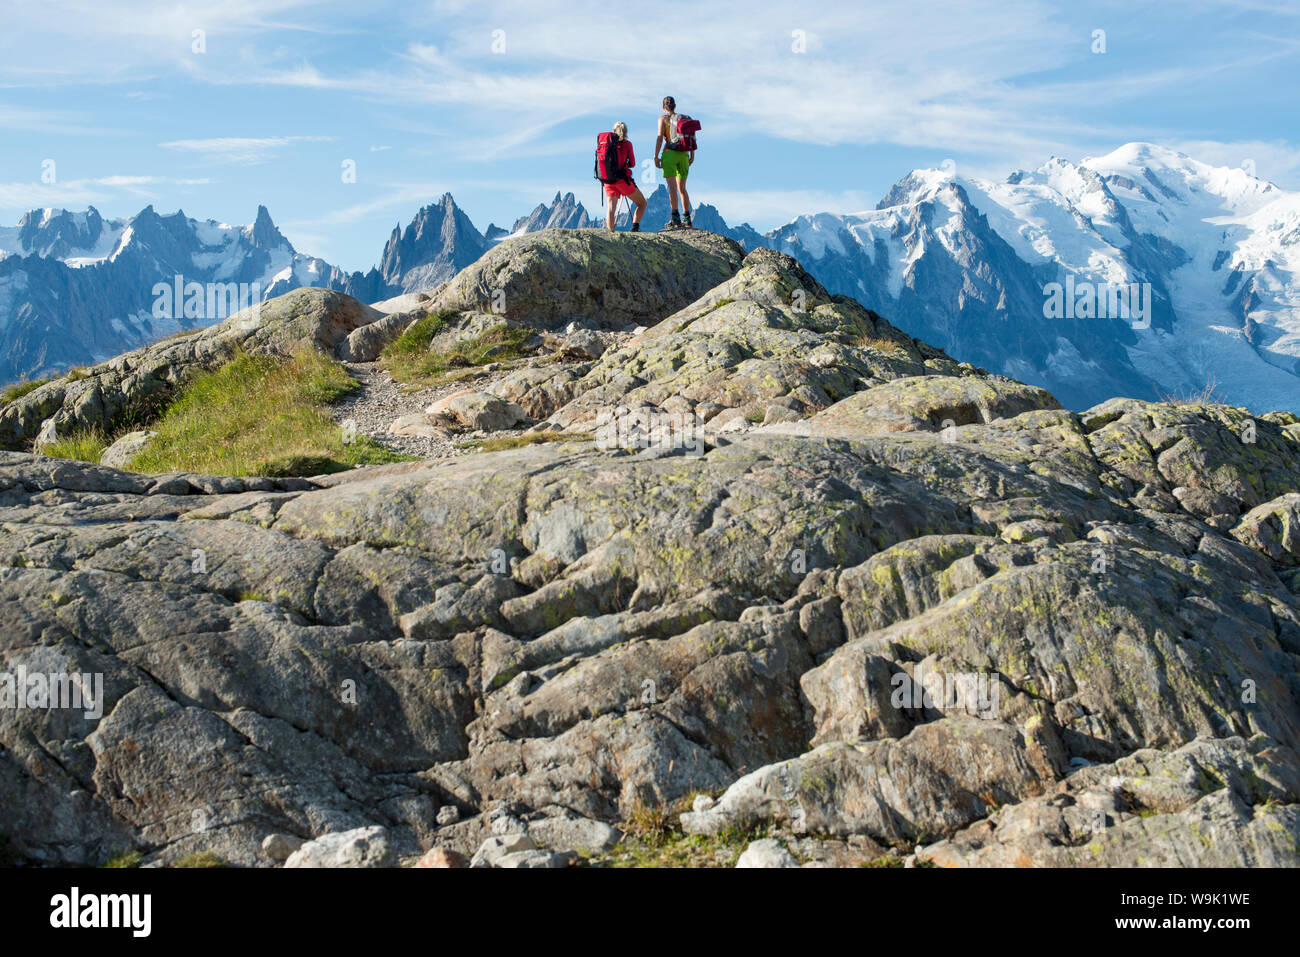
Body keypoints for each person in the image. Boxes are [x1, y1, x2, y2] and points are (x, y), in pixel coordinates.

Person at [655, 95, 694, 229]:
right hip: (684, 154)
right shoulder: (684, 119)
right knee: (682, 189)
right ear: (675, 106)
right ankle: (687, 219)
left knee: (672, 188)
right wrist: (692, 155)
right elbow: (691, 137)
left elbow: (660, 138)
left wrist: (655, 156)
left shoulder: (663, 119)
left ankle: (675, 218)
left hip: (669, 154)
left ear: (663, 107)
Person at [604, 122, 647, 231]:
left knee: (610, 209)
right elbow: (632, 163)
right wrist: (624, 165)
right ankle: (634, 228)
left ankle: (611, 233)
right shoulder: (627, 144)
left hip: (608, 180)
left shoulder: (606, 144)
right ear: (625, 132)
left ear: (613, 131)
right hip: (622, 180)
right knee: (642, 203)